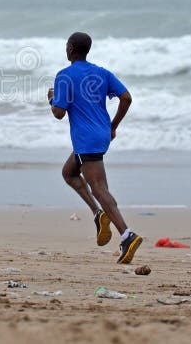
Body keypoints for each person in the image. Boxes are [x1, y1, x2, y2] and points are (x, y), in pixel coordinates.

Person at [47, 31, 141, 264]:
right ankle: (99, 215)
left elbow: (59, 113)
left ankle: (127, 235)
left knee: (99, 188)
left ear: (69, 49)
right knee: (69, 173)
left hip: (86, 138)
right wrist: (113, 126)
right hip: (101, 134)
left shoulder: (64, 76)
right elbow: (126, 97)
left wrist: (51, 98)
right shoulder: (102, 72)